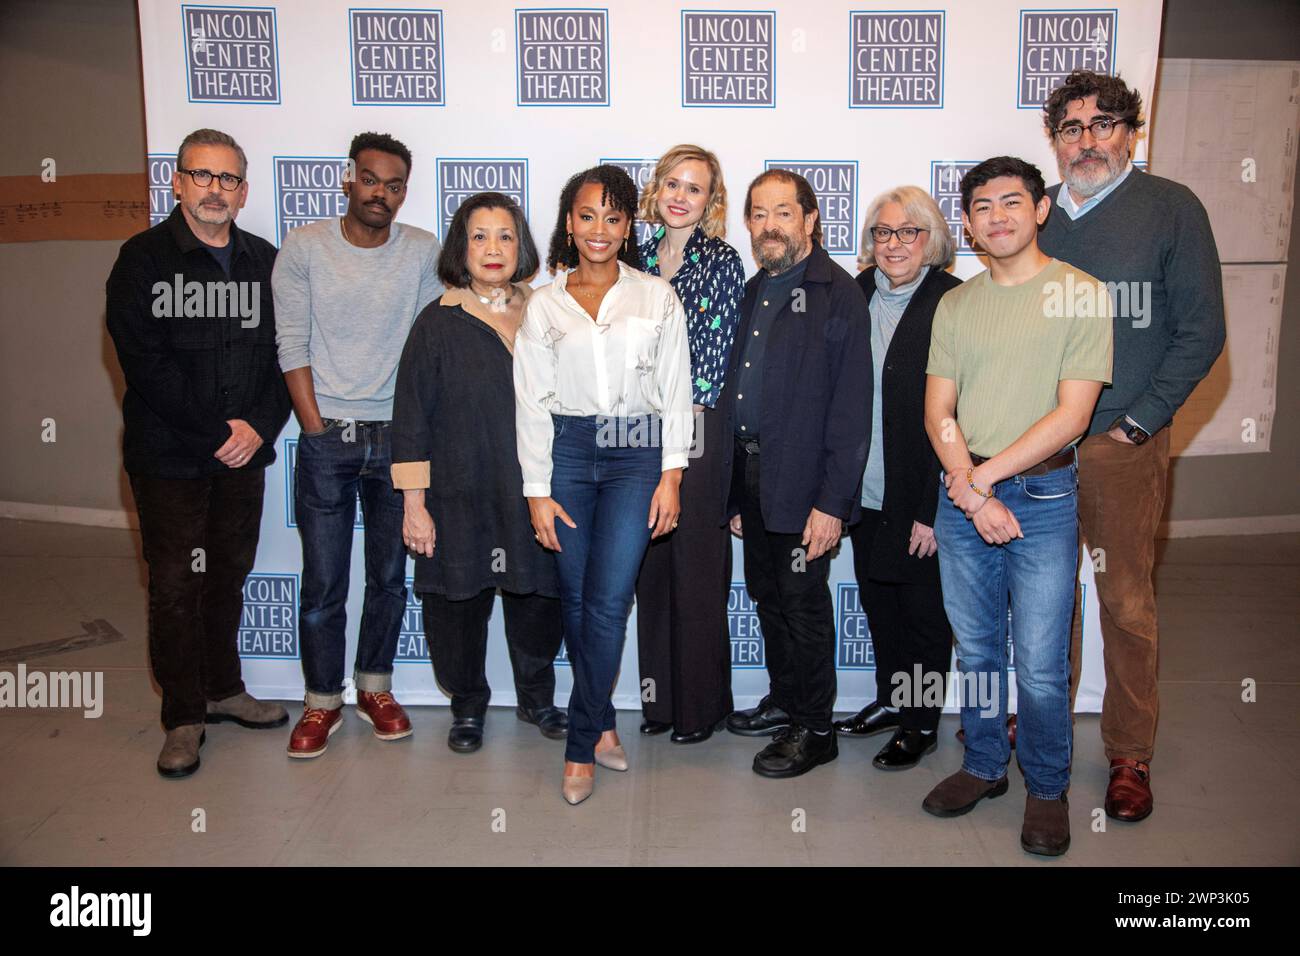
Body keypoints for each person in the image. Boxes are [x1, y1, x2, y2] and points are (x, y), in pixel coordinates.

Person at [1039, 70, 1226, 822]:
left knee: (1123, 600)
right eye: (1072, 128)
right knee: (1043, 601)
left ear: (1130, 131)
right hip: (1039, 448)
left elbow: (1201, 332)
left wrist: (1138, 425)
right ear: (1053, 140)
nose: (1088, 141)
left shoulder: (1172, 209)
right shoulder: (1037, 214)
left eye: (1104, 125)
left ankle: (1128, 753)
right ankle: (1040, 728)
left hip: (1122, 445)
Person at [922, 156, 1112, 857]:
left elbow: (1072, 416)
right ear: (967, 222)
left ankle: (1048, 786)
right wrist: (969, 489)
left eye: (1011, 202)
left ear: (1040, 209)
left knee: (1037, 661)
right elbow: (939, 411)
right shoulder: (957, 304)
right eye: (981, 206)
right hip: (966, 497)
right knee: (975, 650)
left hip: (1042, 496)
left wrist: (983, 482)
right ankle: (981, 766)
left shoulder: (1082, 295)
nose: (996, 216)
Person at [106, 128, 291, 778]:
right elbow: (146, 365)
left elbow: (285, 357)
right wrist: (218, 432)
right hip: (171, 460)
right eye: (202, 176)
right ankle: (183, 715)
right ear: (178, 182)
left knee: (228, 576)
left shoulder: (268, 262)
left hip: (244, 458)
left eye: (228, 178)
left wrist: (259, 428)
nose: (216, 189)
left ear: (243, 191)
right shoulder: (143, 261)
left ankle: (224, 689)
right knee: (177, 586)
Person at [515, 165, 692, 805]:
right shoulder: (543, 305)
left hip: (636, 455)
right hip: (566, 452)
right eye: (587, 216)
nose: (599, 230)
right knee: (576, 596)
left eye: (613, 218)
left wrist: (672, 475)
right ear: (569, 222)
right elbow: (531, 403)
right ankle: (606, 724)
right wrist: (537, 490)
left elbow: (676, 393)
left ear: (627, 227)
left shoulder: (656, 297)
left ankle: (578, 743)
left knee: (610, 600)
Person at [273, 132, 444, 758]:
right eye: (371, 179)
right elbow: (291, 345)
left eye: (395, 185)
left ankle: (374, 686)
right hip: (328, 441)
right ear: (349, 179)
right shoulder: (305, 247)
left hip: (398, 439)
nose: (382, 194)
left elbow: (427, 352)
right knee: (323, 582)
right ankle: (322, 701)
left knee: (390, 578)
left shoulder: (423, 251)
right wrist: (316, 429)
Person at [390, 192, 567, 754]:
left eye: (506, 236)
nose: (494, 249)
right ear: (460, 248)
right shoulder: (436, 323)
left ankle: (537, 699)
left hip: (534, 493)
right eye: (480, 236)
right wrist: (415, 505)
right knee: (456, 606)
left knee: (539, 601)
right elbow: (412, 418)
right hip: (457, 496)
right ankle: (467, 706)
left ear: (523, 246)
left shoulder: (549, 312)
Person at [719, 169, 872, 779]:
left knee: (802, 605)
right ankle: (785, 701)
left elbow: (851, 410)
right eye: (758, 213)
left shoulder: (837, 293)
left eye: (784, 212)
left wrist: (832, 503)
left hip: (807, 488)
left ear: (810, 220)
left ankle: (816, 728)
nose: (769, 225)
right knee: (768, 597)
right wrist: (735, 492)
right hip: (754, 478)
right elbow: (736, 397)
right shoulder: (755, 287)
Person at [832, 186, 960, 770]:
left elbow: (967, 413)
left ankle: (921, 721)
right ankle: (890, 699)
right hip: (865, 491)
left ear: (931, 240)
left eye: (909, 232)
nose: (895, 243)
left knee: (925, 617)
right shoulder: (851, 296)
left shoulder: (954, 302)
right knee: (880, 605)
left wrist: (936, 507)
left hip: (923, 494)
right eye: (883, 232)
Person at [633, 145, 745, 744]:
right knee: (650, 570)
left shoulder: (722, 260)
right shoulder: (633, 256)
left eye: (694, 188)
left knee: (697, 571)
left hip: (696, 430)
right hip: (632, 433)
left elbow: (713, 360)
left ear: (710, 201)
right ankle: (660, 704)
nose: (680, 196)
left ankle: (701, 710)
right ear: (656, 190)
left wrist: (665, 413)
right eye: (672, 183)